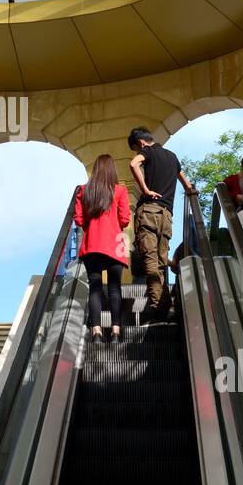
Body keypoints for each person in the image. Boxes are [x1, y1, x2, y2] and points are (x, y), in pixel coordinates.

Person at [128, 127, 196, 317]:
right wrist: (192, 193)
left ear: (140, 143)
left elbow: (134, 165)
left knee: (151, 263)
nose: (137, 152)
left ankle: (158, 309)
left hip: (149, 212)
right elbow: (187, 184)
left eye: (136, 148)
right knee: (160, 260)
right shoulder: (172, 156)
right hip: (166, 217)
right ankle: (166, 306)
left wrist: (146, 190)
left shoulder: (147, 151)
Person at [74, 154, 131, 342]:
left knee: (95, 288)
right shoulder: (120, 191)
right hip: (114, 244)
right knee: (115, 288)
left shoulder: (84, 191)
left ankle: (97, 332)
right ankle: (115, 331)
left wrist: (92, 228)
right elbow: (124, 219)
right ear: (112, 170)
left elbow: (79, 219)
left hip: (92, 244)